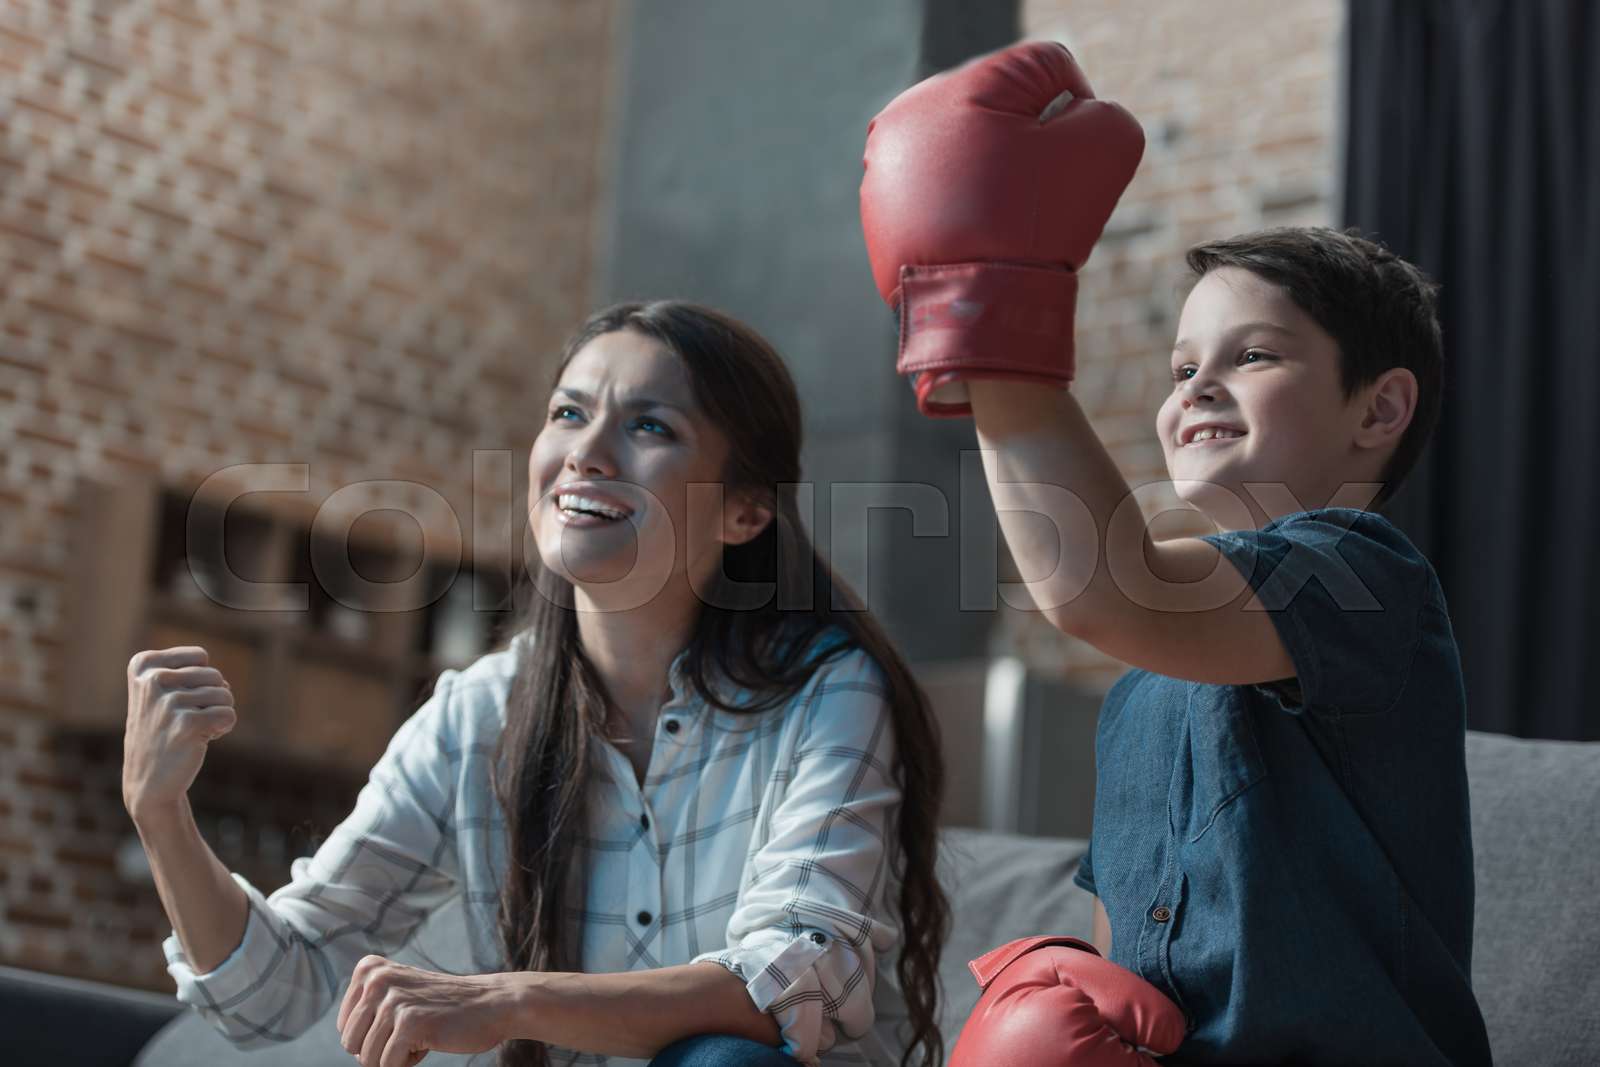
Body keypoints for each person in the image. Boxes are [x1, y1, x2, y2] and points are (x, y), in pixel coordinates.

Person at [859, 40, 1491, 1066]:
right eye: (1181, 364)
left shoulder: (1364, 577)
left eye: (1251, 355)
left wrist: (986, 303)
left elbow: (1113, 584)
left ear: (1379, 407)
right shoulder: (1143, 688)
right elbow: (1127, 953)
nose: (1195, 385)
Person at [121, 301, 951, 1067]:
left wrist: (511, 1000)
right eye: (568, 413)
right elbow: (274, 988)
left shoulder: (827, 692)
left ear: (746, 512)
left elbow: (797, 979)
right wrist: (161, 815)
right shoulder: (477, 715)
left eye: (650, 426)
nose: (586, 453)